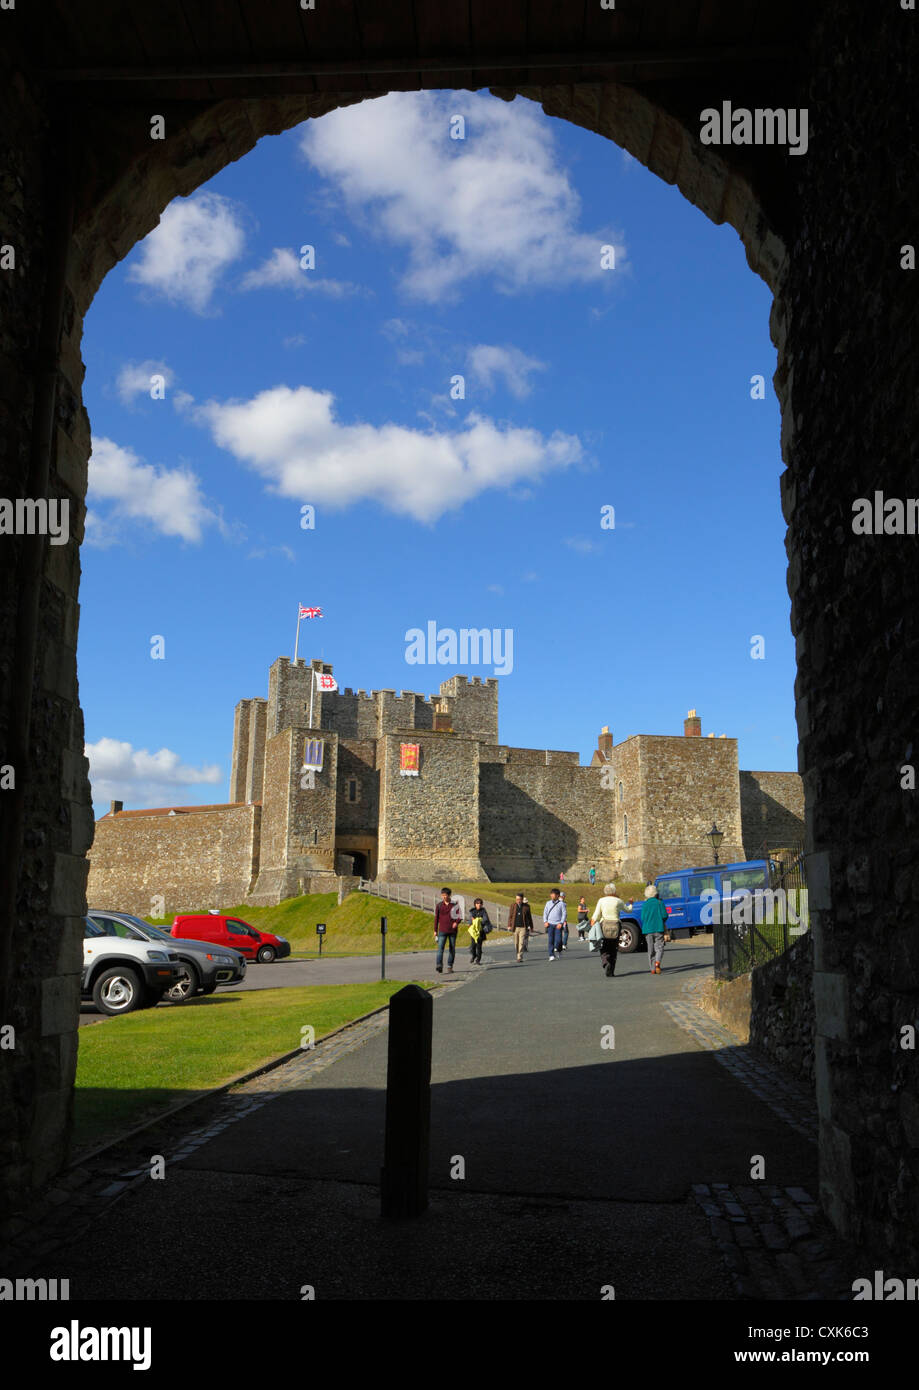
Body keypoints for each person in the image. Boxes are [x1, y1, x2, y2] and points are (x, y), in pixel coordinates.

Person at [590, 881, 628, 978]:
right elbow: (628, 910)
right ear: (614, 891)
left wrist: (592, 922)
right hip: (616, 925)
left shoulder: (601, 900)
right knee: (614, 948)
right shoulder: (618, 901)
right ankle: (611, 970)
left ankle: (605, 961)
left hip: (604, 925)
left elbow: (596, 914)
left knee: (603, 946)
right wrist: (631, 904)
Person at [641, 883, 668, 974]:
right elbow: (665, 915)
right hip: (658, 928)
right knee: (659, 948)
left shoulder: (645, 905)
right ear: (655, 893)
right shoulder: (660, 903)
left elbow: (643, 918)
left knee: (650, 949)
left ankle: (652, 968)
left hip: (648, 930)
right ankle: (657, 963)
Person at [433, 886, 460, 974]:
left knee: (452, 949)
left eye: (445, 895)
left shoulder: (455, 905)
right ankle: (439, 965)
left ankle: (449, 966)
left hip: (452, 931)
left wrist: (456, 922)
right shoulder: (439, 906)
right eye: (442, 895)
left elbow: (460, 916)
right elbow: (436, 918)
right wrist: (435, 930)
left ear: (449, 895)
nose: (444, 897)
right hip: (442, 931)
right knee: (440, 949)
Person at [507, 892, 533, 962]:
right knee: (516, 943)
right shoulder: (513, 905)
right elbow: (510, 916)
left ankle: (519, 957)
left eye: (519, 899)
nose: (518, 900)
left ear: (522, 899)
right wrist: (509, 925)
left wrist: (531, 926)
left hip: (523, 927)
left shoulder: (526, 907)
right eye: (517, 899)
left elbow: (529, 917)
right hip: (515, 927)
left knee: (521, 942)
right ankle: (517, 953)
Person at [543, 888, 567, 961]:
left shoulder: (561, 904)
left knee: (558, 940)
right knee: (551, 940)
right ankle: (551, 955)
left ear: (557, 895)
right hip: (550, 924)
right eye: (551, 894)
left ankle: (559, 950)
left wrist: (561, 923)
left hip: (558, 925)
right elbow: (545, 913)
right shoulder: (548, 903)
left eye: (553, 894)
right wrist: (545, 921)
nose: (552, 896)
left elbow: (564, 914)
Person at [468, 897, 492, 966]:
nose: (479, 905)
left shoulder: (483, 911)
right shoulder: (472, 911)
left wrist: (477, 920)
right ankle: (474, 955)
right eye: (477, 903)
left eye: (480, 903)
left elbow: (485, 919)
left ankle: (478, 960)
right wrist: (472, 921)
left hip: (481, 931)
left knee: (479, 946)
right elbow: (470, 921)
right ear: (475, 904)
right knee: (473, 946)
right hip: (473, 932)